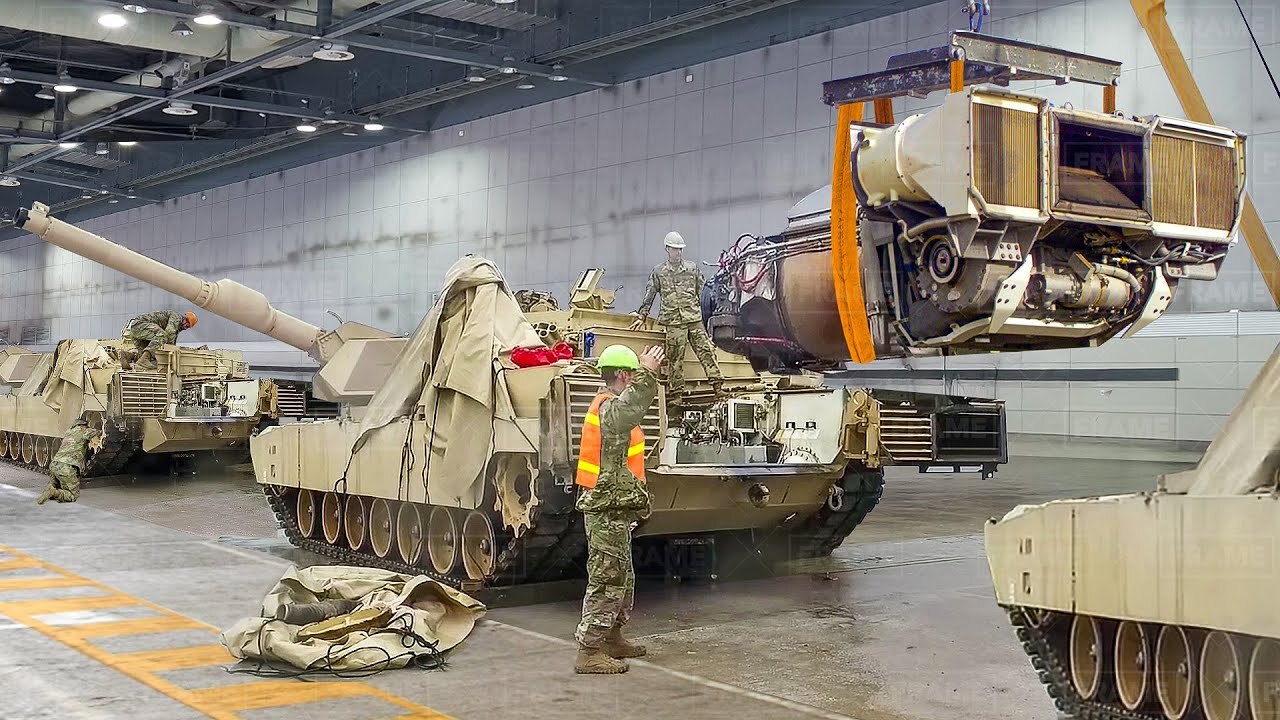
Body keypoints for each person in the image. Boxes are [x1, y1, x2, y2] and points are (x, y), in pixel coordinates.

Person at [573, 343, 664, 675]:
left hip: (616, 509)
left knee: (622, 579)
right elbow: (631, 407)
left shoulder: (610, 408)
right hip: (605, 509)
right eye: (633, 375)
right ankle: (589, 651)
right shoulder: (609, 408)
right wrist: (648, 371)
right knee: (607, 579)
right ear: (625, 375)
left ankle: (612, 637)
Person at [631, 232, 723, 405]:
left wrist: (711, 314)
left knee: (707, 353)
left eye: (680, 249)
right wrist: (642, 315)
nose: (678, 253)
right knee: (675, 359)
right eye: (675, 249)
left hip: (694, 318)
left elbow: (703, 293)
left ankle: (718, 388)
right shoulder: (659, 272)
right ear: (667, 249)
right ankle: (677, 394)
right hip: (674, 321)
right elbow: (650, 294)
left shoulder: (692, 269)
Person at [37, 417, 101, 505]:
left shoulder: (68, 432)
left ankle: (49, 489)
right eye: (86, 426)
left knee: (55, 484)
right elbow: (99, 432)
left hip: (54, 464)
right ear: (82, 425)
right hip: (67, 467)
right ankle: (53, 492)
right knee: (72, 495)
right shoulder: (84, 431)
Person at [120, 310, 197, 369]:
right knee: (163, 335)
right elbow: (169, 334)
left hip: (138, 332)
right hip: (140, 325)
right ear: (185, 320)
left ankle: (128, 355)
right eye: (187, 326)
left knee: (149, 357)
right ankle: (144, 359)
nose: (186, 329)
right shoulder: (176, 317)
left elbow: (171, 341)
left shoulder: (176, 326)